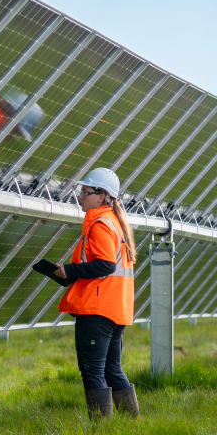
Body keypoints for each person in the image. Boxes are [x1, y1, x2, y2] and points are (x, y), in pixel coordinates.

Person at [54, 168, 140, 419]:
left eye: (85, 192)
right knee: (112, 369)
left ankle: (101, 430)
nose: (80, 196)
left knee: (93, 370)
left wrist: (70, 269)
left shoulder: (101, 224)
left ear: (102, 196)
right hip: (115, 308)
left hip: (97, 309)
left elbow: (104, 264)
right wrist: (72, 273)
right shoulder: (114, 223)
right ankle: (129, 423)